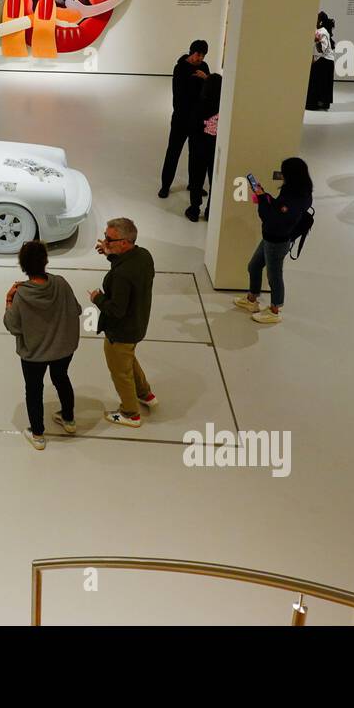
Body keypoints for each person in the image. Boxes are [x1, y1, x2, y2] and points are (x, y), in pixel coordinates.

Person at [3, 239, 83, 450]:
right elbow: (77, 309)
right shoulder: (61, 283)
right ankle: (69, 420)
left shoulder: (21, 294)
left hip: (34, 355)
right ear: (45, 261)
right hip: (63, 349)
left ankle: (38, 434)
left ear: (23, 265)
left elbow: (13, 326)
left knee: (34, 389)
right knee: (61, 379)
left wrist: (9, 301)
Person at [89, 218, 157, 426]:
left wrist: (97, 298)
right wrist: (110, 254)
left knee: (120, 371)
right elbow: (126, 268)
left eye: (110, 239)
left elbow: (116, 310)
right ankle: (145, 394)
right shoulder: (144, 255)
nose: (105, 242)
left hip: (120, 331)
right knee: (128, 360)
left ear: (125, 242)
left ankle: (130, 413)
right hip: (137, 324)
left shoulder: (121, 275)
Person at [235, 157, 314, 324]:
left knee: (274, 275)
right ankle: (251, 299)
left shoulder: (294, 198)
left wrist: (262, 200)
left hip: (277, 241)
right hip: (270, 237)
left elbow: (271, 218)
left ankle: (275, 309)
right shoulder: (295, 192)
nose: (282, 175)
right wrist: (266, 196)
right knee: (254, 266)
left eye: (284, 173)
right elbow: (279, 208)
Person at [159, 39, 211, 199]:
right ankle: (165, 185)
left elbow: (209, 92)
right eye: (198, 54)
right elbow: (178, 95)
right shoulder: (180, 68)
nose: (200, 58)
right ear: (191, 52)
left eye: (203, 55)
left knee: (195, 155)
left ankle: (194, 185)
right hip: (181, 119)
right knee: (173, 152)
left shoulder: (204, 67)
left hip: (197, 120)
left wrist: (206, 79)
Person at [186, 71, 223, 222]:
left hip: (198, 148)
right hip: (215, 149)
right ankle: (210, 211)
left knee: (196, 179)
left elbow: (192, 127)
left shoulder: (199, 105)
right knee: (214, 180)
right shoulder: (223, 107)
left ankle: (194, 209)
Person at [306, 13, 335, 111]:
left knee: (315, 82)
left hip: (324, 61)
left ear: (320, 21)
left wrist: (317, 40)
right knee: (322, 83)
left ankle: (313, 104)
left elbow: (323, 49)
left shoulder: (322, 31)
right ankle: (321, 103)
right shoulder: (321, 30)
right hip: (326, 61)